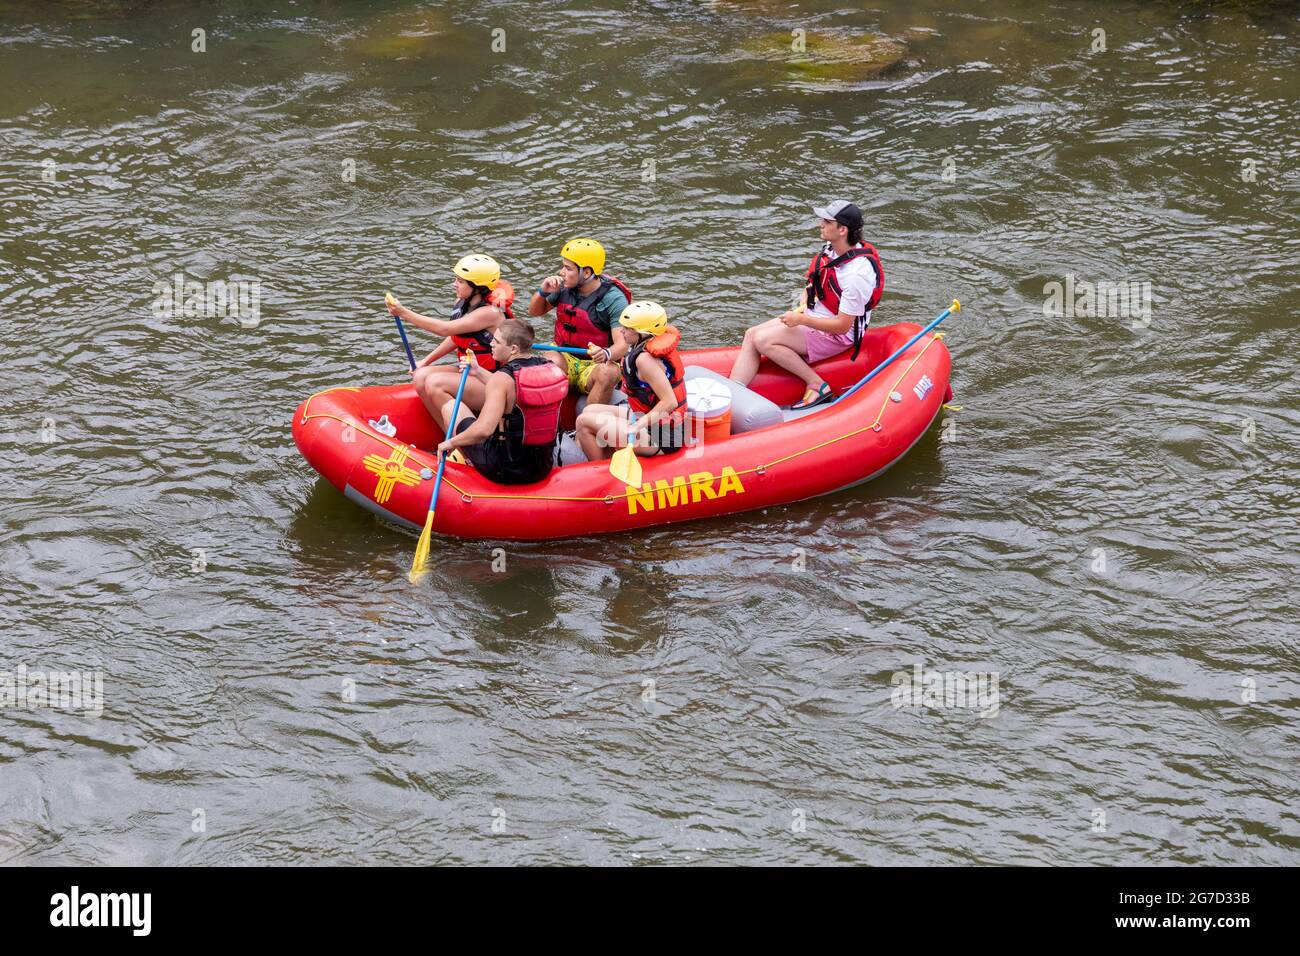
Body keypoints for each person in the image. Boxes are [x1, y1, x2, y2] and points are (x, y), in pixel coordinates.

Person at [729, 201, 883, 409]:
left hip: (838, 335)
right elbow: (814, 282)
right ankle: (733, 394)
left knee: (763, 340)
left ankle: (817, 384)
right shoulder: (832, 249)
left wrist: (802, 320)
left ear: (842, 230)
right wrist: (804, 303)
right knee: (751, 334)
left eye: (827, 221)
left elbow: (843, 326)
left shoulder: (856, 275)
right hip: (815, 315)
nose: (820, 224)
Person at [431, 319, 570, 485]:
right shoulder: (551, 369)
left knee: (452, 407)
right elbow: (514, 389)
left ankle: (467, 461)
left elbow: (483, 430)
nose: (491, 344)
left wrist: (449, 443)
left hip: (505, 468)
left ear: (513, 349)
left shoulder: (502, 379)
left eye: (496, 341)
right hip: (541, 466)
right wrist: (477, 370)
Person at [386, 254, 514, 420]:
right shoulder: (462, 303)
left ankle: (463, 437)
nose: (455, 284)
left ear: (477, 286)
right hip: (470, 371)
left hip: (492, 381)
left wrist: (403, 313)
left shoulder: (490, 312)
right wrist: (426, 361)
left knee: (435, 383)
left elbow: (445, 329)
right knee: (420, 377)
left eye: (460, 281)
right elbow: (456, 337)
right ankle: (448, 431)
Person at [576, 302, 688, 461]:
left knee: (583, 422)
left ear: (642, 332)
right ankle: (606, 454)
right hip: (646, 419)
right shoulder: (640, 347)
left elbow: (670, 402)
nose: (621, 331)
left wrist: (637, 426)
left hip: (662, 436)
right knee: (590, 410)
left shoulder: (645, 360)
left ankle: (600, 470)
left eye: (627, 328)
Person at [528, 238, 632, 404]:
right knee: (550, 360)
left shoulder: (614, 299)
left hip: (594, 364)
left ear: (587, 273)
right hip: (565, 357)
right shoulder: (564, 287)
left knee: (609, 372)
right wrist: (543, 291)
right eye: (563, 266)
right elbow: (535, 311)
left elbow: (622, 344)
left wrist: (606, 353)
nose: (562, 272)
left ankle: (588, 421)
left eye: (568, 268)